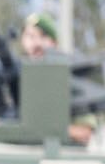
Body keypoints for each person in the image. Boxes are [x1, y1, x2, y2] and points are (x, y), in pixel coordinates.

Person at [19, 10, 97, 147]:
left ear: (53, 43)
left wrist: (43, 129)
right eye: (30, 36)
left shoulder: (73, 78)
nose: (36, 43)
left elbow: (84, 132)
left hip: (61, 161)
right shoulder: (15, 79)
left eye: (42, 36)